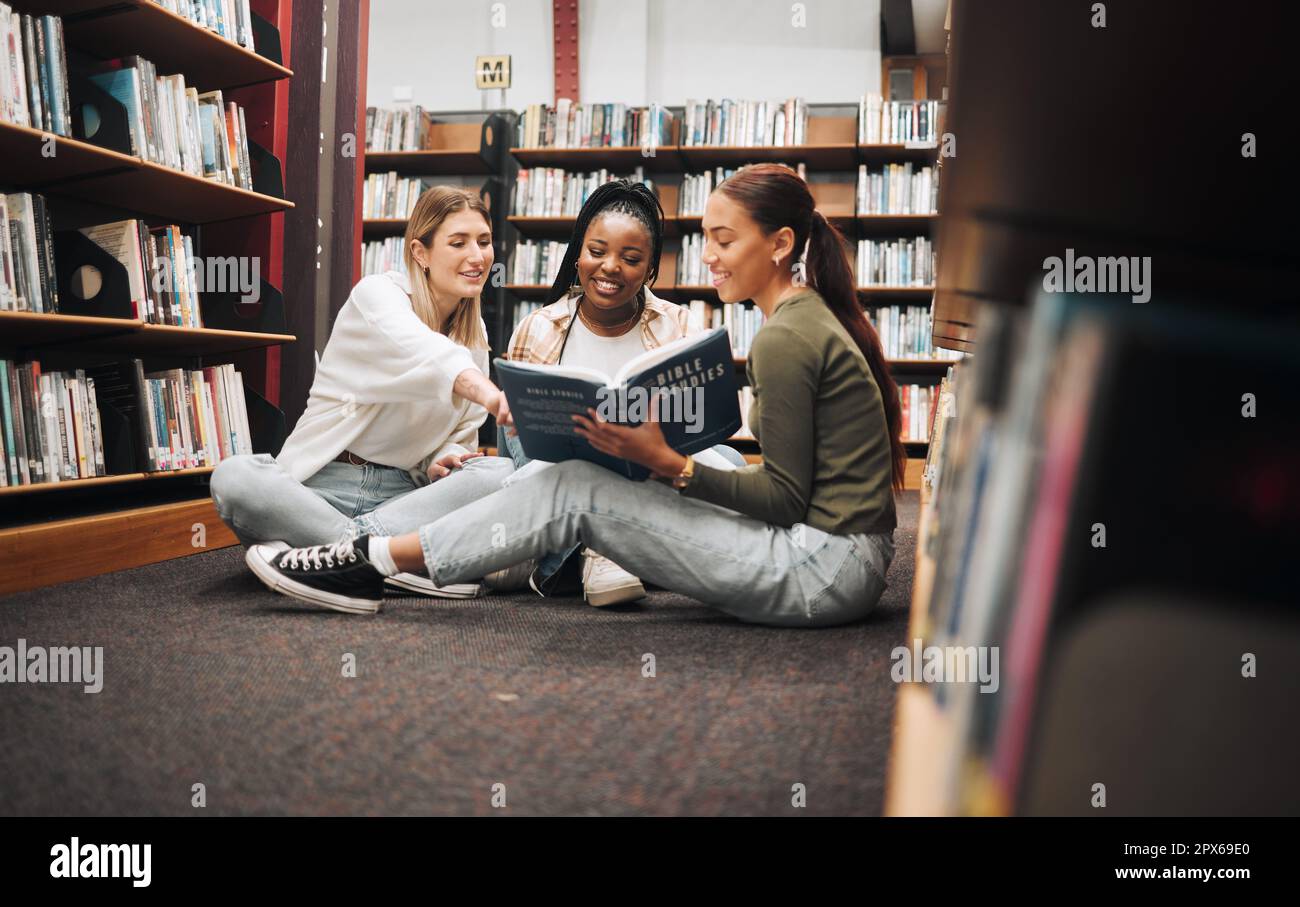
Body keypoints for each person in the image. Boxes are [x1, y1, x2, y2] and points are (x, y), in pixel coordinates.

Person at [245, 163, 904, 626]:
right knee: (570, 481)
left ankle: (368, 560)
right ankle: (377, 558)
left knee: (579, 488)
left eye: (724, 239)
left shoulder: (785, 337)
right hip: (835, 555)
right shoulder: (806, 316)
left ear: (781, 244)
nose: (708, 256)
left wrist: (665, 463)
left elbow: (783, 498)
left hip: (824, 571)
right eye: (706, 238)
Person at [211, 186, 515, 601]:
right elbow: (426, 354)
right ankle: (382, 561)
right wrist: (492, 396)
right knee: (235, 478)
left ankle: (334, 559)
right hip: (320, 488)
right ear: (420, 253)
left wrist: (441, 459)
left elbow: (452, 441)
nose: (477, 256)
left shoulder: (474, 337)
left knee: (499, 475)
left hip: (402, 499)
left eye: (483, 242)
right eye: (458, 243)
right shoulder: (378, 295)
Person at [496, 178, 744, 606]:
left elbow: (702, 428)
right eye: (596, 252)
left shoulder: (679, 326)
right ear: (578, 257)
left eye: (630, 259)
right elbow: (517, 445)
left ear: (649, 269)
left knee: (732, 463)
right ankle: (619, 550)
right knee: (553, 469)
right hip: (562, 475)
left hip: (652, 473)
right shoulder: (538, 329)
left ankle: (568, 553)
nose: (610, 267)